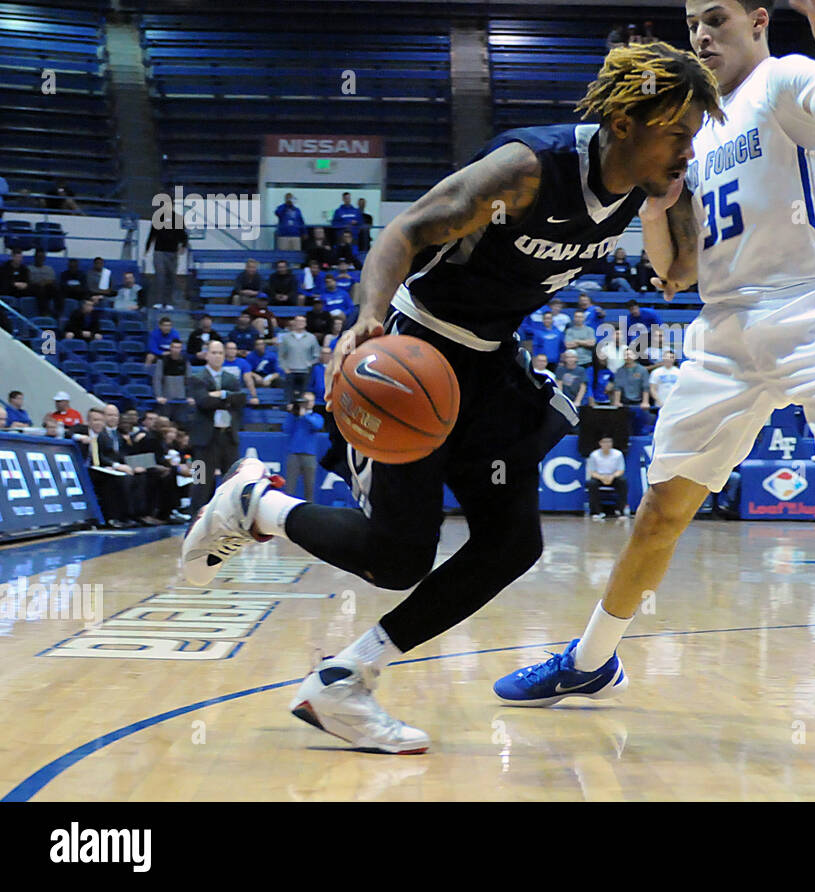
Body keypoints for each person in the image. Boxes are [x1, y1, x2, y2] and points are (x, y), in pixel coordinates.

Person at [495, 0, 815, 771]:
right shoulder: (693, 125)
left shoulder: (787, 79)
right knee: (661, 513)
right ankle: (590, 660)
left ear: (760, 21)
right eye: (693, 23)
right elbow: (676, 272)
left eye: (717, 19)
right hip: (726, 331)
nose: (702, 35)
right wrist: (658, 206)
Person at [182, 38, 719, 754]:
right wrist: (367, 319)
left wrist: (666, 201)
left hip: (492, 365)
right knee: (396, 559)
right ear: (624, 124)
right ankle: (258, 506)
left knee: (512, 544)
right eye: (678, 133)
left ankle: (345, 679)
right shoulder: (529, 169)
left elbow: (680, 273)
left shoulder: (654, 183)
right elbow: (406, 229)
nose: (689, 149)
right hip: (417, 356)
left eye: (694, 134)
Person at [186, 339, 247, 517]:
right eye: (214, 352)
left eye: (220, 353)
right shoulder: (196, 378)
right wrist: (227, 398)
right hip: (203, 440)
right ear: (206, 355)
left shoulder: (231, 378)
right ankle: (195, 518)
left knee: (232, 480)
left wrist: (219, 395)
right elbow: (204, 402)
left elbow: (240, 400)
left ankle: (229, 518)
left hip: (228, 437)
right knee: (200, 481)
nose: (217, 356)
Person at [284, 391, 324, 502]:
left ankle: (309, 508)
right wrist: (291, 413)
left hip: (309, 454)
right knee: (290, 487)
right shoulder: (295, 417)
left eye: (311, 401)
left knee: (309, 487)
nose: (308, 403)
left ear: (314, 403)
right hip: (294, 454)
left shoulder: (316, 416)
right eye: (306, 400)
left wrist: (305, 415)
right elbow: (286, 428)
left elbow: (317, 426)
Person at [144, 212, 187, 310]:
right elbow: (152, 234)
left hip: (172, 252)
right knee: (160, 276)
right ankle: (158, 301)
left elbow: (183, 234)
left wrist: (183, 245)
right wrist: (147, 248)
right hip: (159, 251)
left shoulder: (178, 219)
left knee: (170, 277)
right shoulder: (157, 218)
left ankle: (169, 302)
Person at [611, 344, 653, 435]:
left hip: (638, 403)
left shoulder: (642, 370)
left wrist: (645, 402)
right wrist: (617, 402)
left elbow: (645, 387)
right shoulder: (619, 371)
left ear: (635, 356)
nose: (628, 357)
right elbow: (617, 388)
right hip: (624, 403)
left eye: (630, 354)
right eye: (626, 355)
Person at [585, 436, 627, 519]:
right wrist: (602, 477)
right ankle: (596, 512)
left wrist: (612, 477)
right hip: (599, 477)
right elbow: (592, 472)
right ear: (600, 443)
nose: (607, 444)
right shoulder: (594, 455)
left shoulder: (618, 454)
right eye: (604, 442)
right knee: (592, 484)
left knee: (623, 481)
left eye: (609, 442)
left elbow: (621, 470)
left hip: (613, 476)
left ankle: (620, 510)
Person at [278, 315, 320, 396]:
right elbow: (281, 355)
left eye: (302, 321)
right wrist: (285, 368)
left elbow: (317, 355)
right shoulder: (286, 338)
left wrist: (310, 364)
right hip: (290, 371)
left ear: (305, 323)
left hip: (305, 372)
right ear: (294, 323)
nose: (300, 323)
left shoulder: (311, 338)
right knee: (289, 396)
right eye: (298, 321)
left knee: (304, 396)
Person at [27, 249, 59, 316]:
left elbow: (52, 280)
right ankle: (44, 312)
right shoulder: (29, 268)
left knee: (56, 289)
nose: (40, 259)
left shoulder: (49, 269)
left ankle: (58, 312)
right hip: (35, 287)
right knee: (40, 289)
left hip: (47, 287)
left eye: (42, 257)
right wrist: (39, 283)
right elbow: (29, 281)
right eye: (39, 257)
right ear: (35, 257)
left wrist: (45, 282)